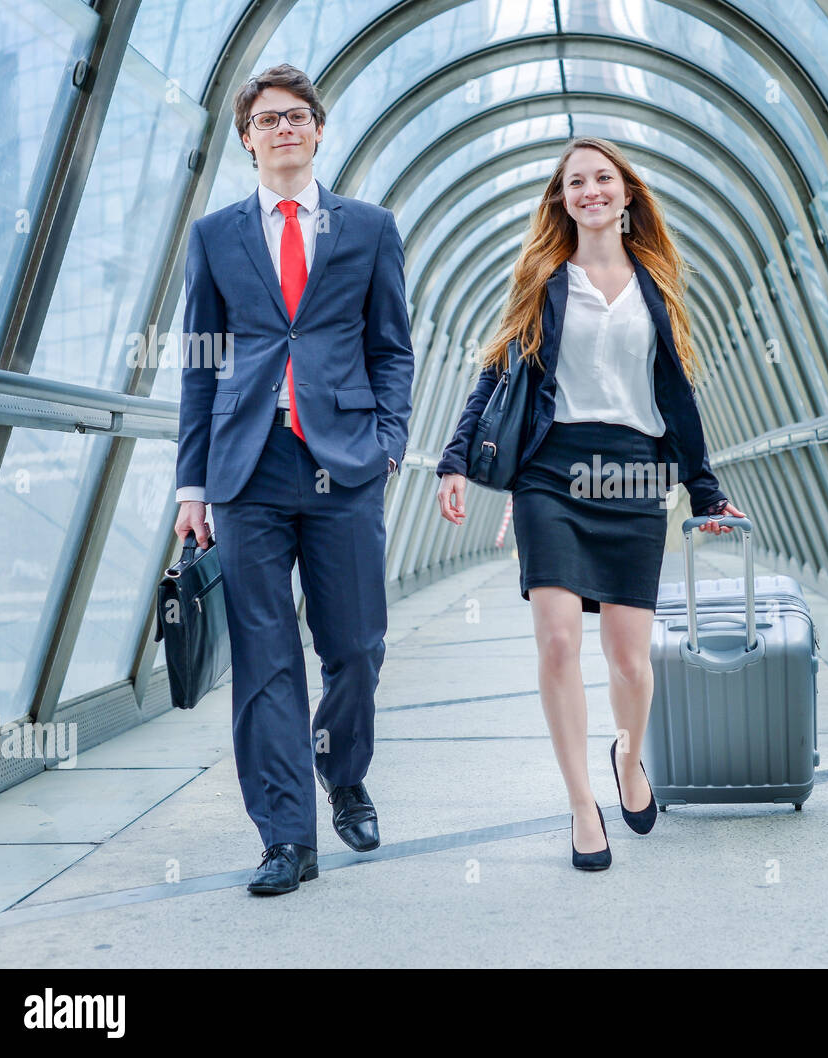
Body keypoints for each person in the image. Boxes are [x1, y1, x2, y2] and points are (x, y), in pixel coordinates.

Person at [434, 136, 746, 871]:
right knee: (558, 643)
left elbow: (677, 393)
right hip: (551, 472)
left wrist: (703, 485)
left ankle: (628, 758)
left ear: (626, 194)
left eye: (603, 178)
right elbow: (496, 373)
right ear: (562, 199)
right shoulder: (543, 278)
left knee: (632, 662)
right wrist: (455, 459)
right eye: (576, 182)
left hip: (635, 475)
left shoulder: (655, 284)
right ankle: (582, 806)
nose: (590, 191)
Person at [173, 64, 414, 895]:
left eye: (298, 116)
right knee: (266, 659)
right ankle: (286, 837)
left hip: (345, 461)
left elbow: (391, 347)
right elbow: (200, 368)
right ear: (246, 137)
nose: (284, 129)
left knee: (355, 647)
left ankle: (342, 773)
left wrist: (389, 439)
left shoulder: (370, 227)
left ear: (318, 130)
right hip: (247, 468)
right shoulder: (212, 237)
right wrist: (191, 486)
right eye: (269, 119)